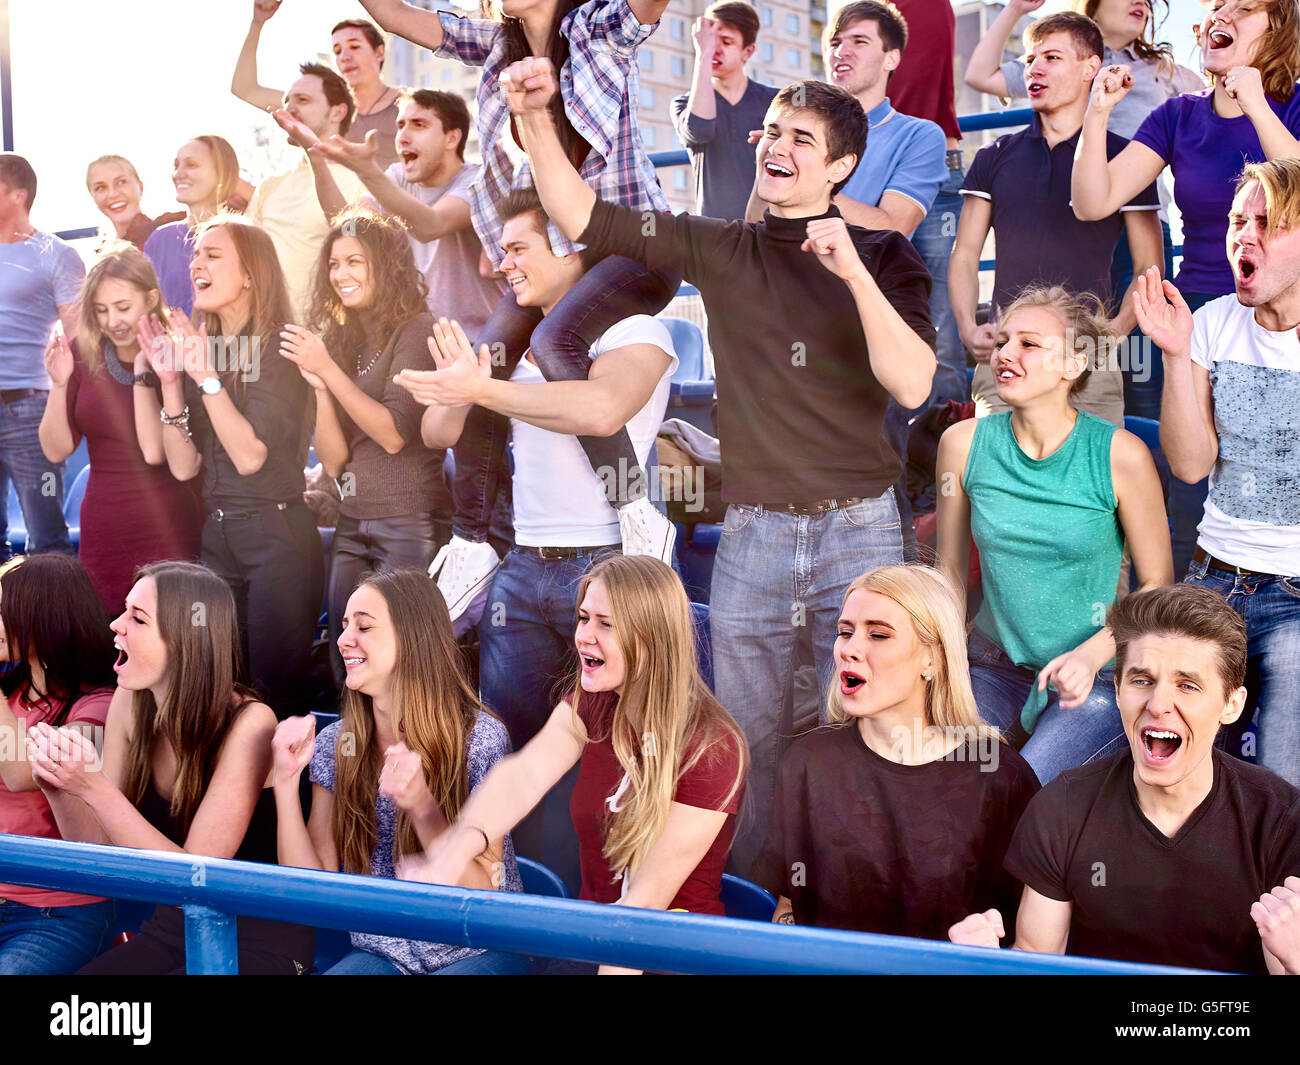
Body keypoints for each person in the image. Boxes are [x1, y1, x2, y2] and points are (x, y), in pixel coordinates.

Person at [500, 61, 937, 872]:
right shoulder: (725, 246)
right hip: (756, 530)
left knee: (868, 725)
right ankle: (754, 902)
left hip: (861, 526)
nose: (775, 145)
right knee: (746, 733)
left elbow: (911, 381)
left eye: (800, 137)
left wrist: (851, 272)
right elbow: (581, 211)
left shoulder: (884, 254)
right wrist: (531, 116)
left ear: (841, 166)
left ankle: (846, 902)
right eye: (771, 130)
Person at [358, 0, 682, 625]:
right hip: (564, 257)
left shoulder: (596, 30)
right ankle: (473, 542)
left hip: (634, 248)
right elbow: (400, 18)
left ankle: (637, 513)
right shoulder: (494, 45)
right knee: (488, 369)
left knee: (558, 338)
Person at [403, 186, 678, 889]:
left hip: (608, 565)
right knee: (515, 753)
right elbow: (438, 434)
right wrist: (461, 387)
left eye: (519, 248)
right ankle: (523, 903)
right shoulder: (517, 350)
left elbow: (599, 406)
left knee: (613, 753)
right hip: (523, 572)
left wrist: (484, 389)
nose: (501, 265)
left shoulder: (635, 331)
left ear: (571, 249)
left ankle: (607, 916)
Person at [403, 554, 748, 976]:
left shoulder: (713, 747)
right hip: (589, 941)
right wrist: (455, 850)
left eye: (606, 623)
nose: (584, 636)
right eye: (583, 618)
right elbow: (524, 774)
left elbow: (641, 908)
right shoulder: (594, 703)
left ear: (651, 637)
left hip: (670, 955)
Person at [949, 584, 1300, 975]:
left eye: (1187, 685)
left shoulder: (1281, 821)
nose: (1158, 705)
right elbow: (1036, 964)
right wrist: (982, 965)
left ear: (1231, 705)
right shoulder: (1063, 808)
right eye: (1141, 680)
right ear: (1117, 690)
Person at [1071, 0, 1300, 573]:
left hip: (1282, 317)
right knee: (1188, 487)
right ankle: (1182, 627)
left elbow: (1296, 186)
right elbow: (1093, 201)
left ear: (1278, 28)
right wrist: (1096, 113)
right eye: (1215, 6)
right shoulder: (1178, 115)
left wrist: (1253, 100)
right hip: (1196, 317)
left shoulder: (1293, 102)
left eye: (1243, 8)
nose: (1221, 14)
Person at [28, 562, 315, 975]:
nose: (116, 624)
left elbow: (194, 876)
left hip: (260, 943)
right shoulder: (129, 700)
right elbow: (97, 858)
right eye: (124, 610)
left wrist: (94, 787)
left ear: (184, 640)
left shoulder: (252, 722)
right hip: (171, 933)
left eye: (137, 618)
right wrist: (60, 787)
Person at [936, 286, 1173, 784]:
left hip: (1095, 675)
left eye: (1028, 343)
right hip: (991, 666)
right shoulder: (962, 445)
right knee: (949, 782)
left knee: (1029, 790)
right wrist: (943, 662)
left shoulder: (1121, 456)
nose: (1005, 354)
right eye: (1001, 341)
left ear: (1073, 365)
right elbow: (951, 571)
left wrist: (1090, 656)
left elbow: (1157, 587)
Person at [753, 565, 1040, 938]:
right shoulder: (807, 762)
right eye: (845, 632)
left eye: (878, 634)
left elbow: (1031, 940)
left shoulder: (1000, 778)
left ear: (932, 659)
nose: (849, 649)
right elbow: (787, 904)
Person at [1132, 159, 1300, 787]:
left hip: (1296, 596)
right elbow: (1191, 463)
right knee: (1180, 769)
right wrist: (1176, 355)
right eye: (1236, 221)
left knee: (1280, 780)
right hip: (1214, 581)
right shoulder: (1210, 323)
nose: (1243, 236)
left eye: (1267, 223)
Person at [271, 569, 528, 975]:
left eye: (364, 626)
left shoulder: (481, 739)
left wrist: (422, 807)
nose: (342, 640)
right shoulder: (339, 743)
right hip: (381, 952)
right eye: (343, 625)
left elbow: (482, 891)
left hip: (477, 946)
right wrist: (285, 783)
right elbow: (313, 889)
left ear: (412, 640)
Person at [966, 0, 1204, 419]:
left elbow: (1149, 268)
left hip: (1127, 200)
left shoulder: (1162, 77)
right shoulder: (1000, 153)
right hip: (1023, 326)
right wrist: (971, 327)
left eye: (1050, 58)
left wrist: (1110, 338)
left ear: (1088, 66)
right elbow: (979, 75)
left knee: (1133, 369)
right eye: (1031, 60)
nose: (1035, 67)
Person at [136, 217, 322, 721]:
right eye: (197, 255)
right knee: (222, 688)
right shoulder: (208, 350)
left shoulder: (279, 348)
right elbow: (182, 466)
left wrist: (206, 378)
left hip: (275, 536)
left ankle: (284, 798)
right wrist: (173, 383)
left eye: (213, 255)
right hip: (217, 537)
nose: (197, 263)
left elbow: (249, 456)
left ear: (250, 275)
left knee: (273, 698)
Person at [281, 209, 450, 690]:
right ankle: (356, 761)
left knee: (404, 668)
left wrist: (328, 371)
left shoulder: (418, 329)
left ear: (386, 264)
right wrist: (319, 387)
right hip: (353, 521)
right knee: (347, 662)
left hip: (409, 522)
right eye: (334, 264)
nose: (340, 275)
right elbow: (333, 461)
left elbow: (394, 433)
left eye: (354, 261)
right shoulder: (346, 342)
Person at [37, 245, 204, 614]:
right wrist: (59, 384)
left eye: (123, 307)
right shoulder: (81, 352)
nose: (113, 321)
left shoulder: (179, 355)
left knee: (170, 635)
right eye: (101, 310)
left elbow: (161, 455)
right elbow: (55, 450)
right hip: (103, 522)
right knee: (108, 639)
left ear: (151, 298)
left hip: (167, 519)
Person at [275, 88, 504, 341]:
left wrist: (367, 172)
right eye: (400, 125)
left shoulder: (477, 180)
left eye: (419, 125)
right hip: (423, 338)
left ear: (452, 139)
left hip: (483, 341)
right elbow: (350, 228)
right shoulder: (398, 177)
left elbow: (431, 225)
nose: (403, 136)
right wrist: (314, 156)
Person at [0, 555, 115, 974]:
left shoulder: (100, 705)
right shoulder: (9, 695)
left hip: (57, 914)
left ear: (44, 617)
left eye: (3, 611)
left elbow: (21, 774)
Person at [0, 153, 83, 560]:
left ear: (19, 194)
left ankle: (49, 624)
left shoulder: (57, 254)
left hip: (30, 409)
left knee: (46, 537)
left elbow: (81, 337)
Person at [888, 0, 967, 406]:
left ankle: (944, 437)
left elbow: (903, 93)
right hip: (878, 164)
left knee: (940, 317)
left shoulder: (924, 6)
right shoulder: (865, 16)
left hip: (928, 162)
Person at [245, 62, 366, 320]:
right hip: (264, 340)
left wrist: (314, 151)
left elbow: (353, 237)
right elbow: (243, 258)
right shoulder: (270, 186)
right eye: (287, 101)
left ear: (337, 112)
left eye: (303, 100)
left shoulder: (362, 182)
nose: (289, 109)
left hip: (324, 343)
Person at [232, 2, 404, 172]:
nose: (344, 57)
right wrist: (257, 23)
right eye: (337, 51)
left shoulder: (407, 106)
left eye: (354, 46)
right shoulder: (315, 106)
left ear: (379, 52)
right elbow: (245, 89)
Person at [671, 3, 778, 222]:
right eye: (710, 41)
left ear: (748, 51)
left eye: (726, 42)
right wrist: (703, 56)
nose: (715, 49)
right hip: (714, 236)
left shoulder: (776, 103)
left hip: (769, 231)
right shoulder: (683, 104)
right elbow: (700, 129)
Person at [142, 135, 242, 317]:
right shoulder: (159, 240)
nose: (178, 173)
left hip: (230, 345)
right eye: (176, 165)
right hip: (169, 344)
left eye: (191, 165)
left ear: (221, 173)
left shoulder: (241, 239)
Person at [85, 155, 183, 251]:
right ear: (92, 196)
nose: (112, 194)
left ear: (140, 187)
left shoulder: (172, 231)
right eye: (100, 188)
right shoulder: (102, 252)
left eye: (121, 182)